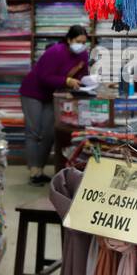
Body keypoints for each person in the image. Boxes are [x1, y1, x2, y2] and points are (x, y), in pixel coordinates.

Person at [19, 25, 90, 184]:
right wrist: (67, 81)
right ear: (69, 40)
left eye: (84, 42)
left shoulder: (83, 54)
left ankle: (41, 168)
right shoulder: (55, 52)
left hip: (54, 96)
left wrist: (87, 82)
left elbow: (83, 74)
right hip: (33, 93)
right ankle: (34, 171)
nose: (82, 45)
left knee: (50, 133)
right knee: (34, 131)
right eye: (78, 41)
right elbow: (44, 77)